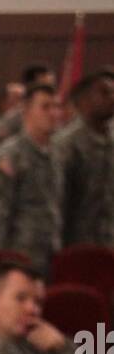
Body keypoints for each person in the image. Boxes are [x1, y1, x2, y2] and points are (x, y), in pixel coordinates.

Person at [0, 83, 62, 275]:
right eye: (45, 107)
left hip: (50, 255)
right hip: (17, 259)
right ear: (26, 111)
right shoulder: (8, 156)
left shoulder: (56, 155)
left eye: (57, 107)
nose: (53, 113)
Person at [52, 72, 114, 248]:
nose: (112, 98)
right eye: (105, 93)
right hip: (76, 245)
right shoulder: (66, 144)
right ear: (84, 101)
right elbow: (57, 203)